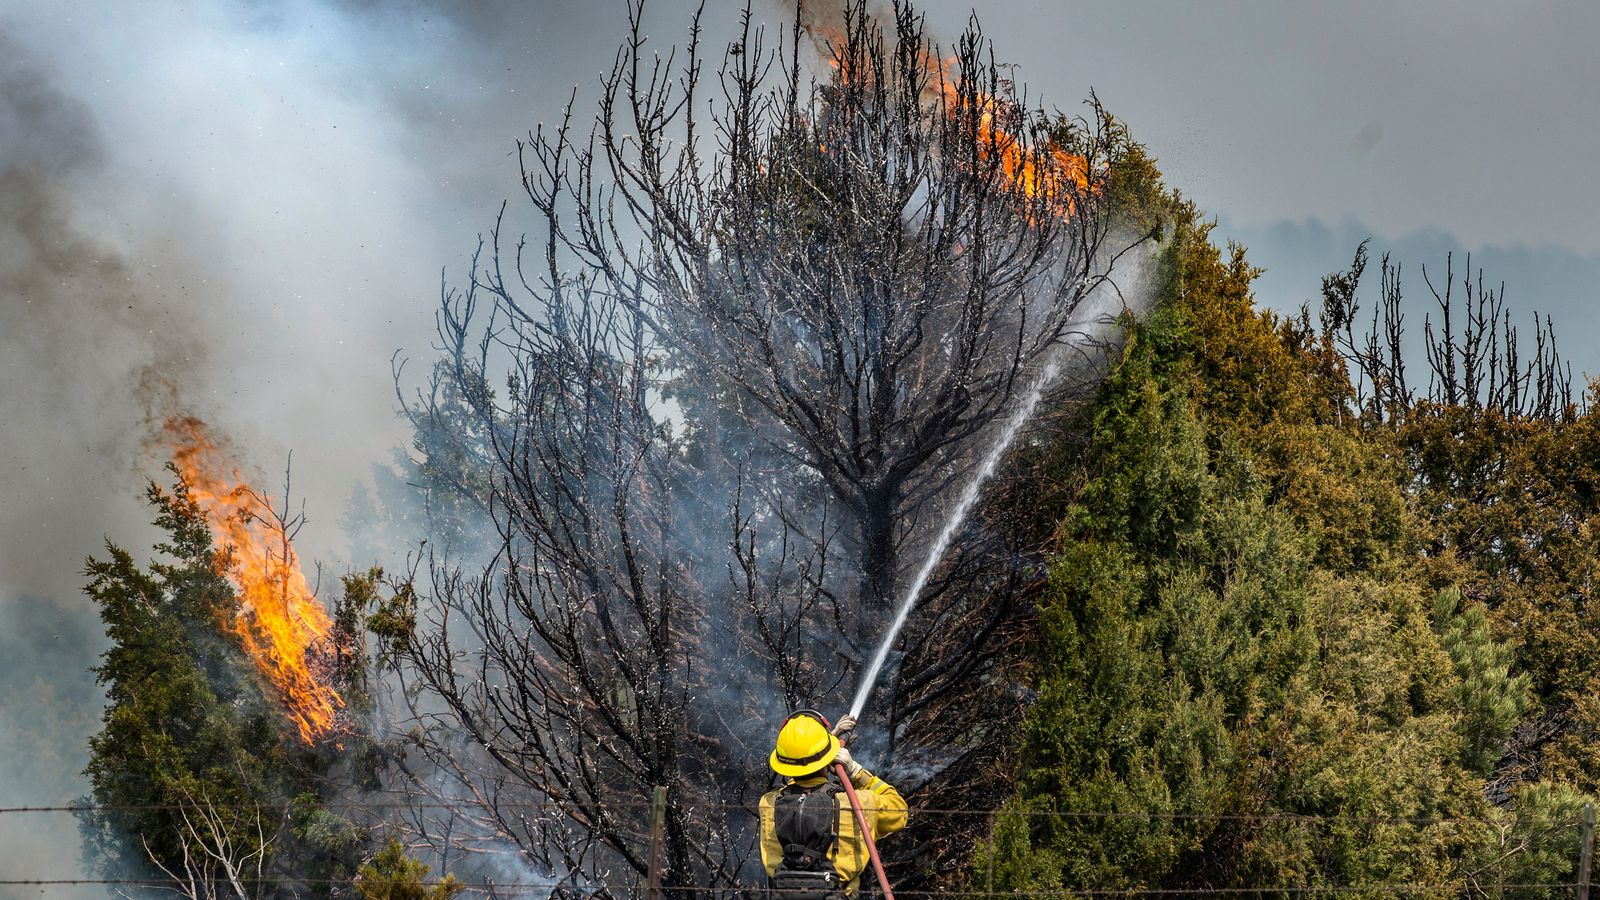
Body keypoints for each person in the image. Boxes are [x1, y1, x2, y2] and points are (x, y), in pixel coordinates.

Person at [759, 711, 907, 898]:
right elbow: (899, 810)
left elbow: (797, 790)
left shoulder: (768, 804)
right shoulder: (858, 803)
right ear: (827, 758)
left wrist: (821, 755)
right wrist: (855, 772)